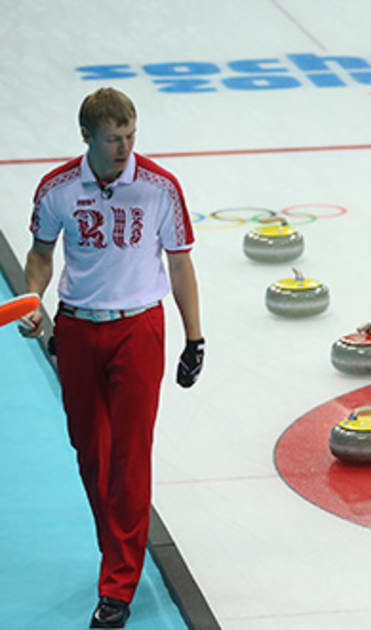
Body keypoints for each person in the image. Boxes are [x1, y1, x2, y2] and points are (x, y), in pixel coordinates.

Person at [20, 87, 204, 629]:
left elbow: (180, 264)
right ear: (87, 138)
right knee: (91, 453)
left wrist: (195, 338)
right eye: (113, 139)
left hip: (138, 331)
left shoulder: (158, 189)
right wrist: (34, 301)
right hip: (77, 329)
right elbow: (39, 253)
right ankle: (117, 553)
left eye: (130, 136)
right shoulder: (55, 189)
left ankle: (117, 583)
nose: (124, 148)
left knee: (130, 455)